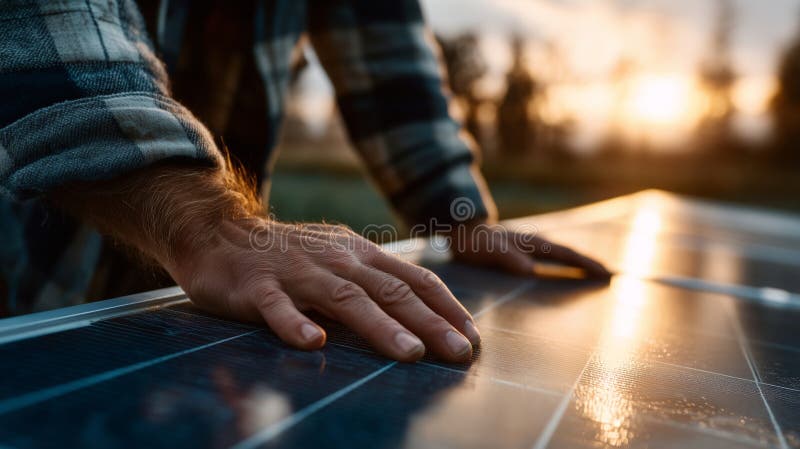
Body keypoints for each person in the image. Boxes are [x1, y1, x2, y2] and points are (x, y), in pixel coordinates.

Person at [0, 0, 608, 363]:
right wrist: (211, 227)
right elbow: (40, 27)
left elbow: (387, 52)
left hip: (207, 320)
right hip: (30, 277)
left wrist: (459, 215)